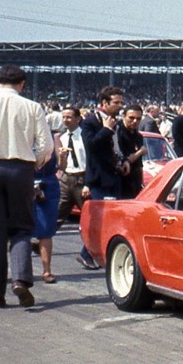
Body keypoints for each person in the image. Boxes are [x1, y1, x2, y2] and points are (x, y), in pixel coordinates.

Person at [0, 65, 54, 308]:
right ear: (23, 84)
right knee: (22, 228)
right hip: (21, 168)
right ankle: (20, 279)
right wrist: (34, 165)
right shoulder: (33, 107)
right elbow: (46, 146)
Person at [78, 86, 126, 270]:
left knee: (112, 218)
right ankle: (86, 253)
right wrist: (105, 130)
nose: (120, 106)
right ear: (104, 103)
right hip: (99, 178)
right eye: (116, 103)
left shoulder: (116, 122)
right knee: (100, 218)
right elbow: (91, 146)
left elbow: (116, 147)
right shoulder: (90, 122)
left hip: (115, 175)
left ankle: (94, 252)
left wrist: (123, 161)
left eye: (122, 102)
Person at [56, 105, 88, 224]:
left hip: (82, 178)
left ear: (78, 119)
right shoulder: (60, 137)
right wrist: (62, 157)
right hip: (65, 178)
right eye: (63, 117)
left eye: (69, 117)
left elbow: (91, 161)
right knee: (57, 214)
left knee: (87, 216)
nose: (65, 120)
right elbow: (61, 165)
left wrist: (88, 184)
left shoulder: (85, 135)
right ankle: (39, 240)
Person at [32, 151, 61, 283]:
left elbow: (62, 166)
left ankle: (47, 270)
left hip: (47, 185)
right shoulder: (19, 133)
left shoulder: (53, 138)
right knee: (15, 230)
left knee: (46, 229)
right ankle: (20, 272)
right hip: (22, 181)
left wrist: (63, 157)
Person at [115, 104, 148, 199]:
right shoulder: (118, 134)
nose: (135, 121)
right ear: (123, 116)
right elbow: (124, 160)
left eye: (138, 119)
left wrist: (140, 181)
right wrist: (140, 152)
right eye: (131, 118)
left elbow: (139, 163)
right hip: (122, 178)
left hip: (135, 178)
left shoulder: (138, 136)